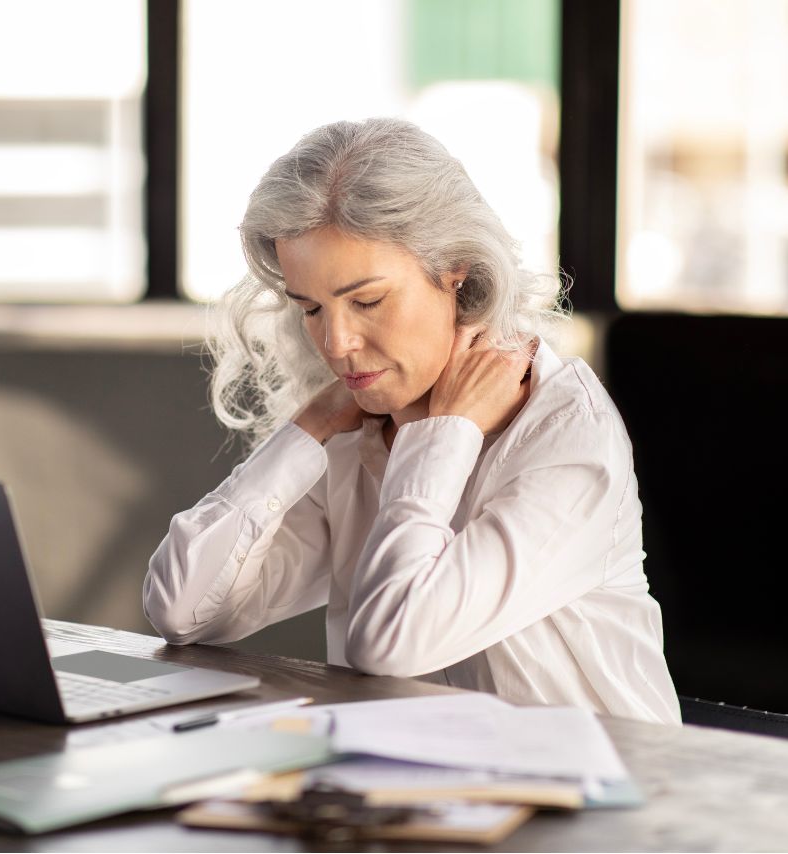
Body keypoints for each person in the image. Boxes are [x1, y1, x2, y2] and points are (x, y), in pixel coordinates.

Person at [144, 118, 680, 725]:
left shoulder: (564, 432)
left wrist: (442, 437)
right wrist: (307, 429)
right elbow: (182, 609)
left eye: (367, 301)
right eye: (311, 308)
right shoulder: (358, 426)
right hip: (413, 785)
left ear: (455, 270)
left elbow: (391, 641)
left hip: (591, 792)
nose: (337, 342)